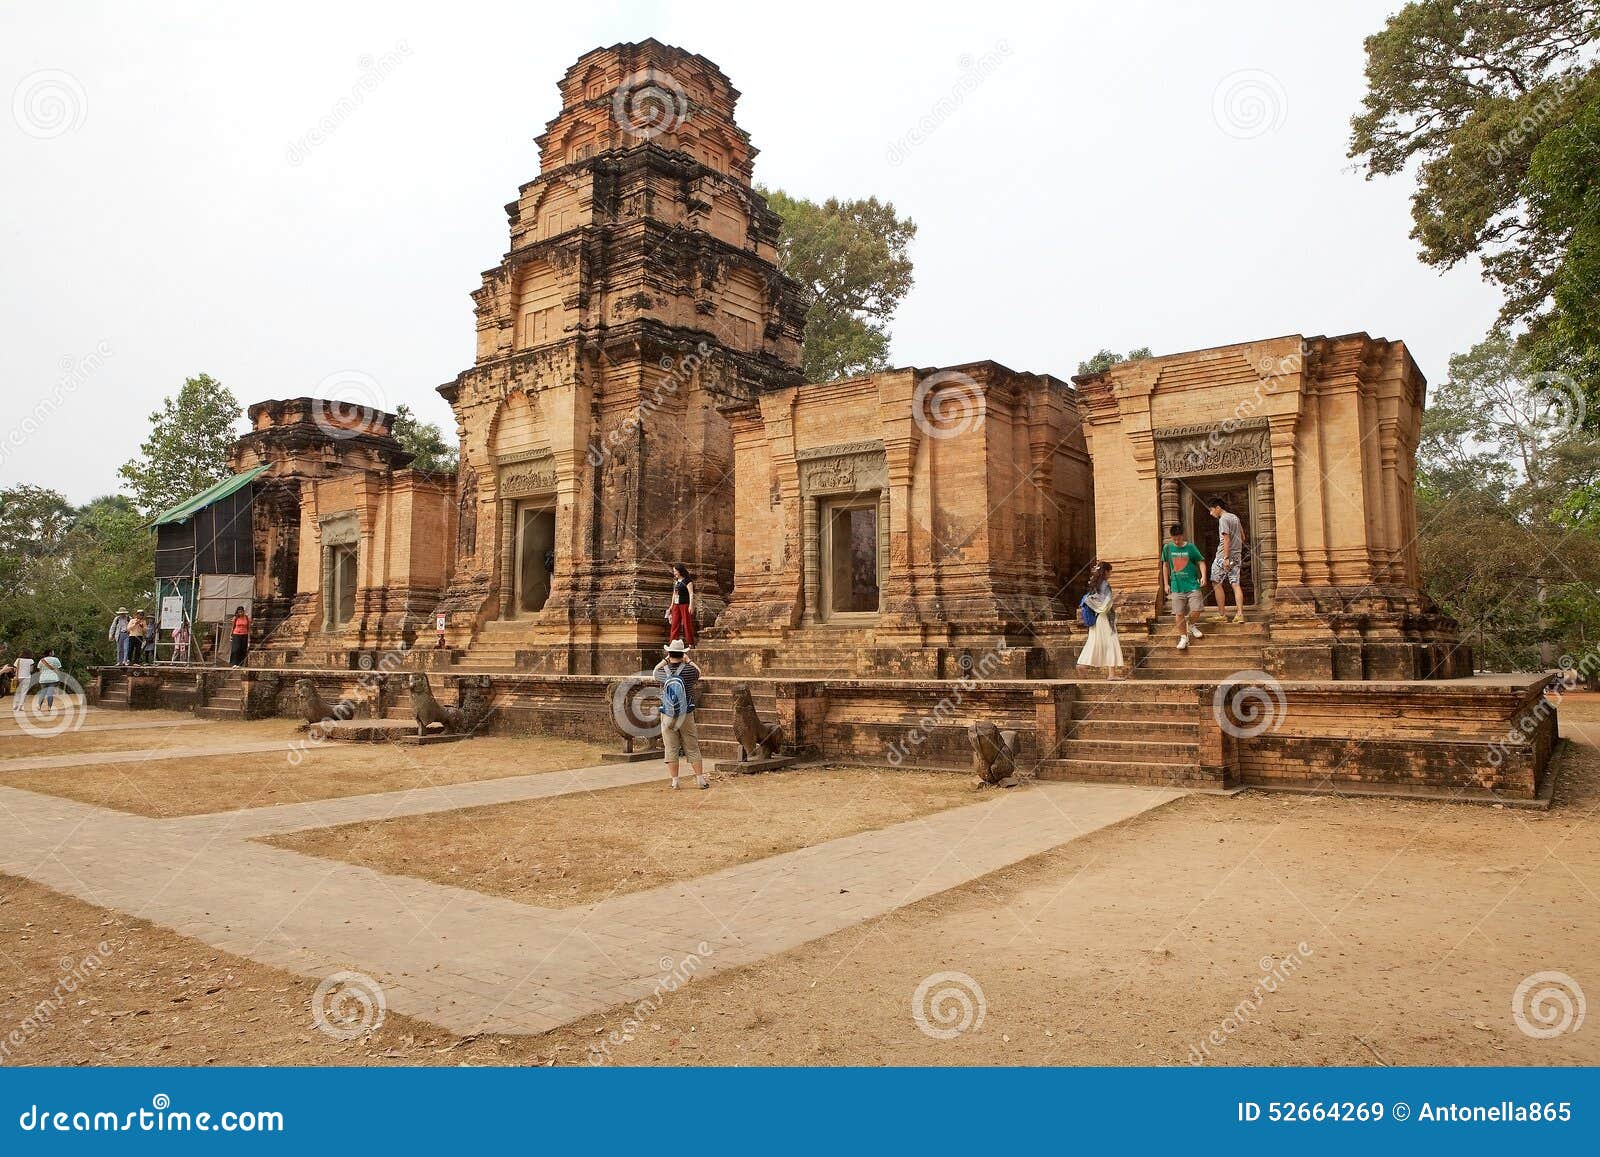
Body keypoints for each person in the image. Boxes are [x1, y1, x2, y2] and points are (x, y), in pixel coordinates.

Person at [653, 638, 708, 789]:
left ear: (669, 653)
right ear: (683, 654)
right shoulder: (690, 671)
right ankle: (700, 780)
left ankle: (675, 781)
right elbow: (699, 672)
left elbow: (654, 671)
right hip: (686, 713)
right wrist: (689, 660)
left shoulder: (662, 672)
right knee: (692, 746)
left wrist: (665, 660)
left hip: (668, 714)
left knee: (670, 747)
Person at [1161, 523, 1207, 650]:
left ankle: (1191, 625)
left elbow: (1200, 561)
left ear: (1182, 536)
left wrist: (1203, 576)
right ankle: (1183, 637)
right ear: (1171, 537)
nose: (1176, 541)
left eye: (1178, 538)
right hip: (1176, 585)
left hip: (1192, 583)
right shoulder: (1167, 548)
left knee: (1197, 609)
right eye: (1174, 539)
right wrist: (1166, 584)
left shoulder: (1191, 547)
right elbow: (1165, 566)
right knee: (1178, 612)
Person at [1075, 561, 1125, 680]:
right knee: (1111, 642)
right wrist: (1116, 599)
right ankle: (1112, 674)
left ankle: (1082, 664)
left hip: (1096, 618)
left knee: (1094, 642)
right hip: (1104, 618)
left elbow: (1099, 603)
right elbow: (1106, 605)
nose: (1111, 574)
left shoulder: (1094, 585)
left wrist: (1112, 601)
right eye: (1110, 571)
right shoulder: (1105, 585)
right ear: (1106, 571)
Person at [1207, 496, 1247, 624]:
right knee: (1235, 583)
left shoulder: (1223, 519)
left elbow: (1226, 539)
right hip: (1236, 556)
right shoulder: (1235, 517)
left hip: (1223, 556)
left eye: (1212, 510)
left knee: (1215, 582)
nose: (1211, 513)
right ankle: (1240, 614)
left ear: (1218, 508)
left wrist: (1225, 557)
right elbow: (1243, 537)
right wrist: (1235, 552)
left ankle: (1222, 614)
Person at [666, 563, 696, 646]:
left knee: (686, 623)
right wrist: (671, 606)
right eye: (674, 571)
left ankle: (690, 643)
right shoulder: (676, 581)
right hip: (676, 604)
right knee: (674, 624)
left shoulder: (687, 581)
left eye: (675, 571)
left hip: (684, 604)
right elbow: (674, 594)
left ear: (680, 571)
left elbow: (691, 594)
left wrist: (691, 605)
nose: (674, 573)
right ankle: (673, 643)